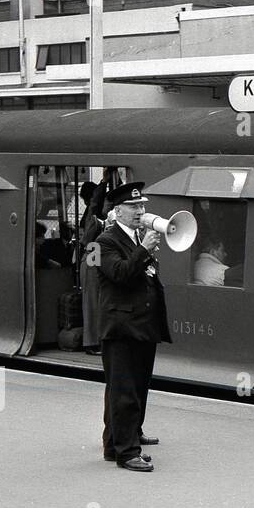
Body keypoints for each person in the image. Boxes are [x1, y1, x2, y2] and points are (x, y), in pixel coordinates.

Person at [96, 183, 170, 472]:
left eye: (141, 206)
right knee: (124, 389)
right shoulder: (104, 241)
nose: (141, 211)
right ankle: (126, 453)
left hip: (141, 325)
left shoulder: (136, 237)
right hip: (121, 327)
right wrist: (142, 251)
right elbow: (119, 274)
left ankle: (117, 441)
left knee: (135, 387)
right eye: (134, 207)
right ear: (118, 211)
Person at [78, 179, 108, 355]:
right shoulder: (94, 216)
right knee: (93, 301)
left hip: (93, 256)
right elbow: (96, 203)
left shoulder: (93, 216)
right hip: (92, 256)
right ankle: (92, 342)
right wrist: (103, 183)